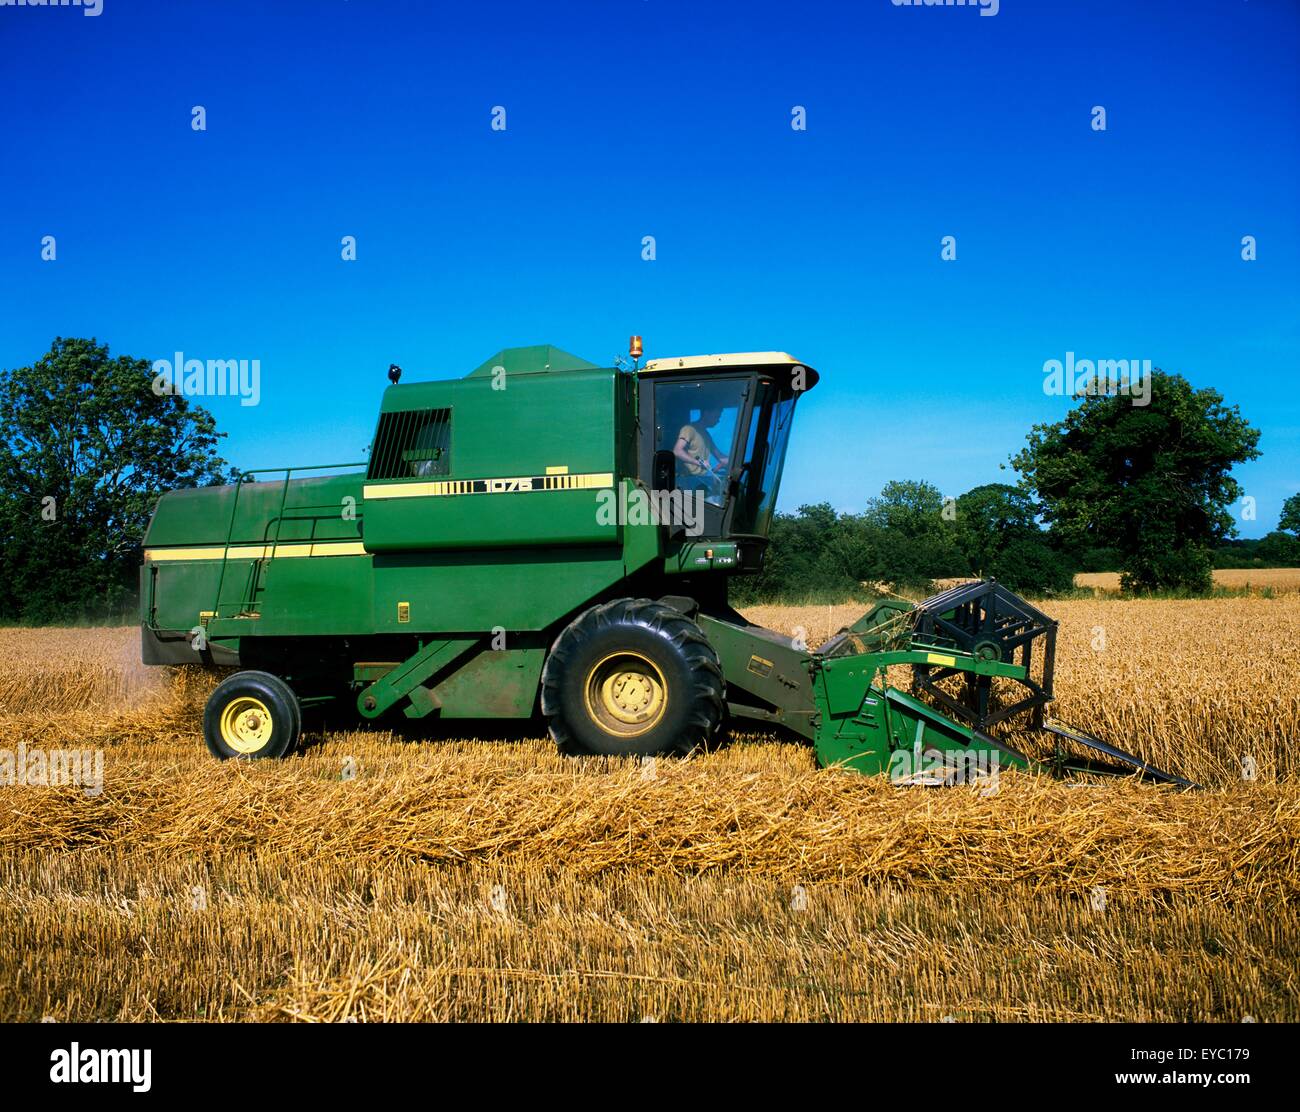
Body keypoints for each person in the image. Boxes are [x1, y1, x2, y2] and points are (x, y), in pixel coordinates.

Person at [674, 405, 729, 499]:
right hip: (688, 482)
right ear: (706, 413)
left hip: (701, 480)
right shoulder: (689, 429)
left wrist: (733, 462)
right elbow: (677, 451)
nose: (718, 420)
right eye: (716, 417)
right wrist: (698, 462)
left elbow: (720, 456)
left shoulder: (706, 434)